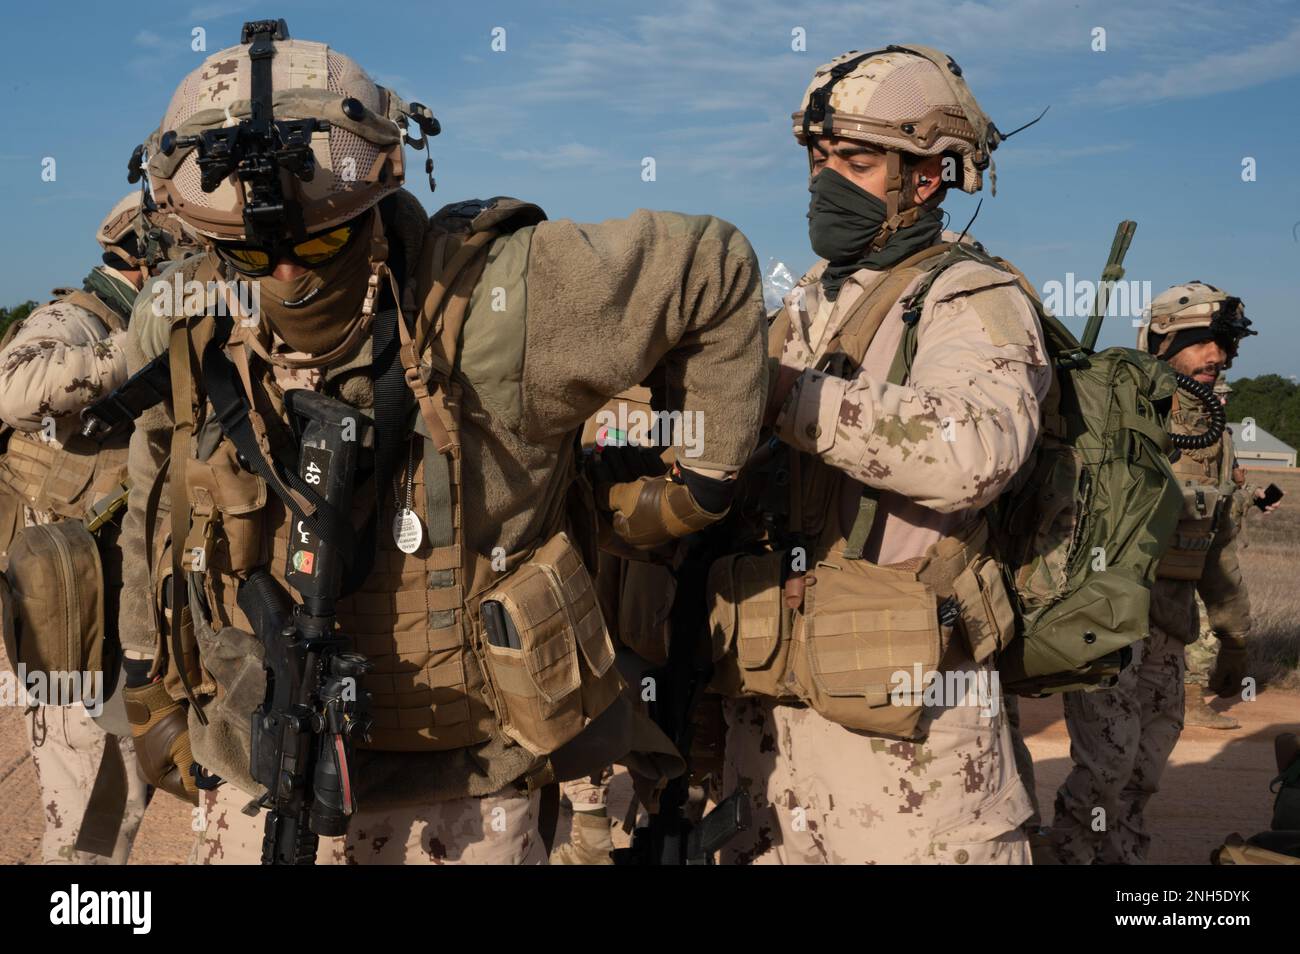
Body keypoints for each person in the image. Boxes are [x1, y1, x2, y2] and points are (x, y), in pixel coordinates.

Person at [119, 20, 766, 864]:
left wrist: (699, 484)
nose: (286, 276)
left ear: (374, 195)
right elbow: (155, 489)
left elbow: (710, 268)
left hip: (473, 794)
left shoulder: (506, 301)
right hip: (262, 777)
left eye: (317, 242)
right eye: (251, 254)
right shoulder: (186, 319)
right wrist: (147, 684)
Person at [716, 44, 1051, 864]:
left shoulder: (973, 297)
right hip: (782, 723)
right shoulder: (813, 298)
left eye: (855, 160)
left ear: (928, 176)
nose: (823, 181)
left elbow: (973, 450)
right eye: (819, 157)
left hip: (918, 753)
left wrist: (778, 395)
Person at [1050, 281, 1257, 864]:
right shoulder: (1111, 407)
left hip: (1167, 626)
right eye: (1203, 342)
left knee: (1146, 769)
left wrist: (1234, 635)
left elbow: (1216, 547)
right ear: (1162, 340)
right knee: (1106, 771)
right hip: (1106, 622)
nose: (1218, 355)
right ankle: (1077, 856)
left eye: (1226, 344)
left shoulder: (1213, 435)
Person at [0, 191, 179, 863]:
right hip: (74, 623)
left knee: (130, 802)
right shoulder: (73, 319)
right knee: (88, 830)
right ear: (150, 258)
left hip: (139, 614)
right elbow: (14, 392)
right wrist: (139, 349)